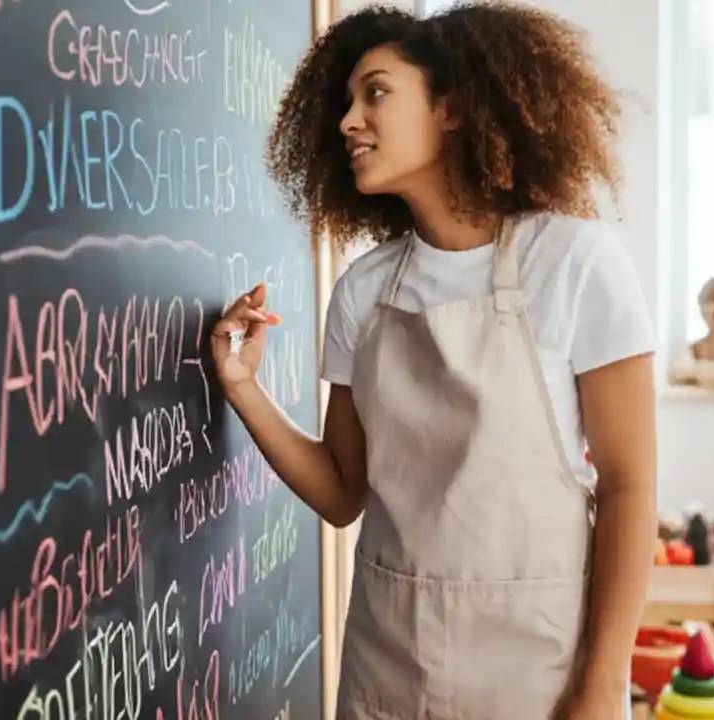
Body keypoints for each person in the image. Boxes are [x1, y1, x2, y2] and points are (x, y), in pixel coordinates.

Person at [212, 3, 658, 718]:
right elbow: (340, 492)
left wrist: (605, 682)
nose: (348, 121)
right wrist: (243, 387)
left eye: (376, 93)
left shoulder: (574, 262)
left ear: (451, 108)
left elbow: (630, 486)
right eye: (347, 103)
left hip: (540, 665)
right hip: (389, 658)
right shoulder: (363, 290)